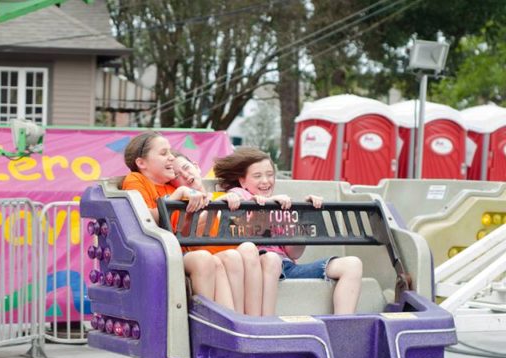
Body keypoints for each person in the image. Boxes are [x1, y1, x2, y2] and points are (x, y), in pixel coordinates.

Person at [213, 147, 363, 315]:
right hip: (257, 265)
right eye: (257, 176)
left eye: (270, 175)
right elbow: (235, 220)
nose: (265, 181)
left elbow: (293, 253)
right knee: (272, 259)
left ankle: (343, 328)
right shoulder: (239, 195)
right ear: (242, 181)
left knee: (352, 264)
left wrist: (304, 217)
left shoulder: (279, 204)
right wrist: (267, 204)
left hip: (286, 266)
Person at [122, 132, 242, 312]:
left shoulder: (172, 186)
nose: (171, 157)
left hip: (179, 248)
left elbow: (185, 226)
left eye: (170, 152)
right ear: (141, 163)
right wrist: (175, 198)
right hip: (157, 253)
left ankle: (231, 320)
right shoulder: (136, 180)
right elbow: (143, 218)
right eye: (163, 153)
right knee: (203, 259)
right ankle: (205, 320)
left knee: (222, 260)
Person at [171, 152, 263, 316]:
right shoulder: (182, 206)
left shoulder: (225, 196)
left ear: (196, 167)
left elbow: (246, 230)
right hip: (216, 257)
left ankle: (254, 320)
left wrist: (234, 205)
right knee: (232, 257)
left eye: (186, 168)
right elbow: (184, 235)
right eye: (177, 175)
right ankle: (240, 319)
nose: (185, 175)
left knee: (249, 247)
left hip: (236, 253)